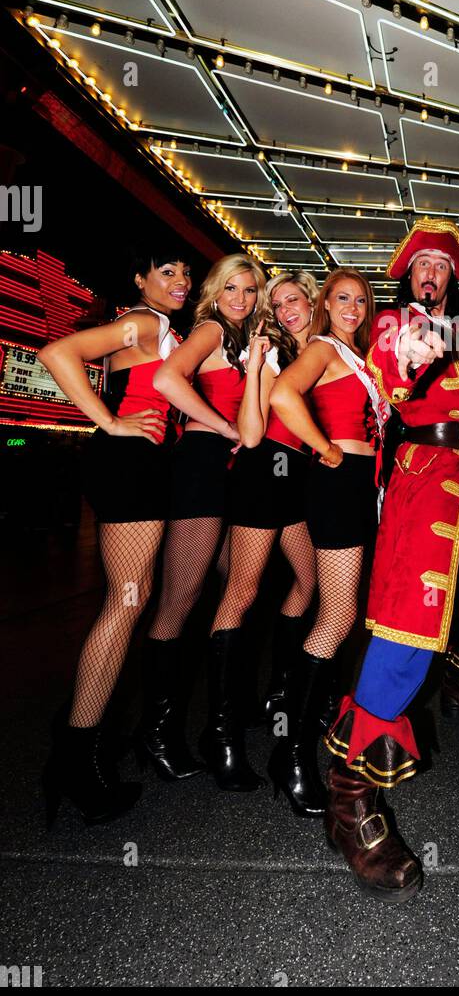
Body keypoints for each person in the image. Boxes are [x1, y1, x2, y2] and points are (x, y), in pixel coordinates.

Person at [323, 198, 459, 901]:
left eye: (443, 265)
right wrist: (408, 357)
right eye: (423, 266)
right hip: (425, 480)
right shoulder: (392, 324)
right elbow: (391, 366)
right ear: (408, 277)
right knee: (411, 623)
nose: (433, 273)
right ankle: (349, 800)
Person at [38, 243, 192, 825]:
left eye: (184, 272)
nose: (179, 280)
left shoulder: (161, 329)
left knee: (131, 600)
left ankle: (77, 747)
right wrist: (109, 421)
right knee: (125, 604)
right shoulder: (142, 321)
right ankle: (77, 755)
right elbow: (57, 352)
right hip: (128, 465)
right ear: (141, 278)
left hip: (142, 466)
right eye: (166, 270)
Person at [267, 270, 387, 817]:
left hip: (361, 485)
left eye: (361, 299)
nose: (353, 307)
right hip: (337, 481)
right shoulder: (320, 347)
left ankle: (303, 732)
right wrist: (326, 451)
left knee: (344, 612)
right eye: (342, 298)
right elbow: (283, 393)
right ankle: (291, 756)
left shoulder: (359, 358)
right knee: (336, 617)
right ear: (324, 303)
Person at [149, 253, 268, 790]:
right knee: (178, 600)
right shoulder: (213, 329)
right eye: (231, 288)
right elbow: (167, 379)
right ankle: (157, 733)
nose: (240, 298)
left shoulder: (244, 339)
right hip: (200, 468)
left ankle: (222, 724)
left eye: (249, 289)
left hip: (227, 476)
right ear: (215, 293)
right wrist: (221, 426)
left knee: (237, 591)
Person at [213, 271, 319, 734]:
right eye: (276, 305)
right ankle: (222, 728)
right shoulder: (276, 354)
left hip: (296, 479)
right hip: (264, 474)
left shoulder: (320, 352)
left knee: (308, 579)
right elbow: (253, 435)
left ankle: (281, 689)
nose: (284, 310)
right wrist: (255, 366)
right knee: (241, 593)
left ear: (313, 302)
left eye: (292, 299)